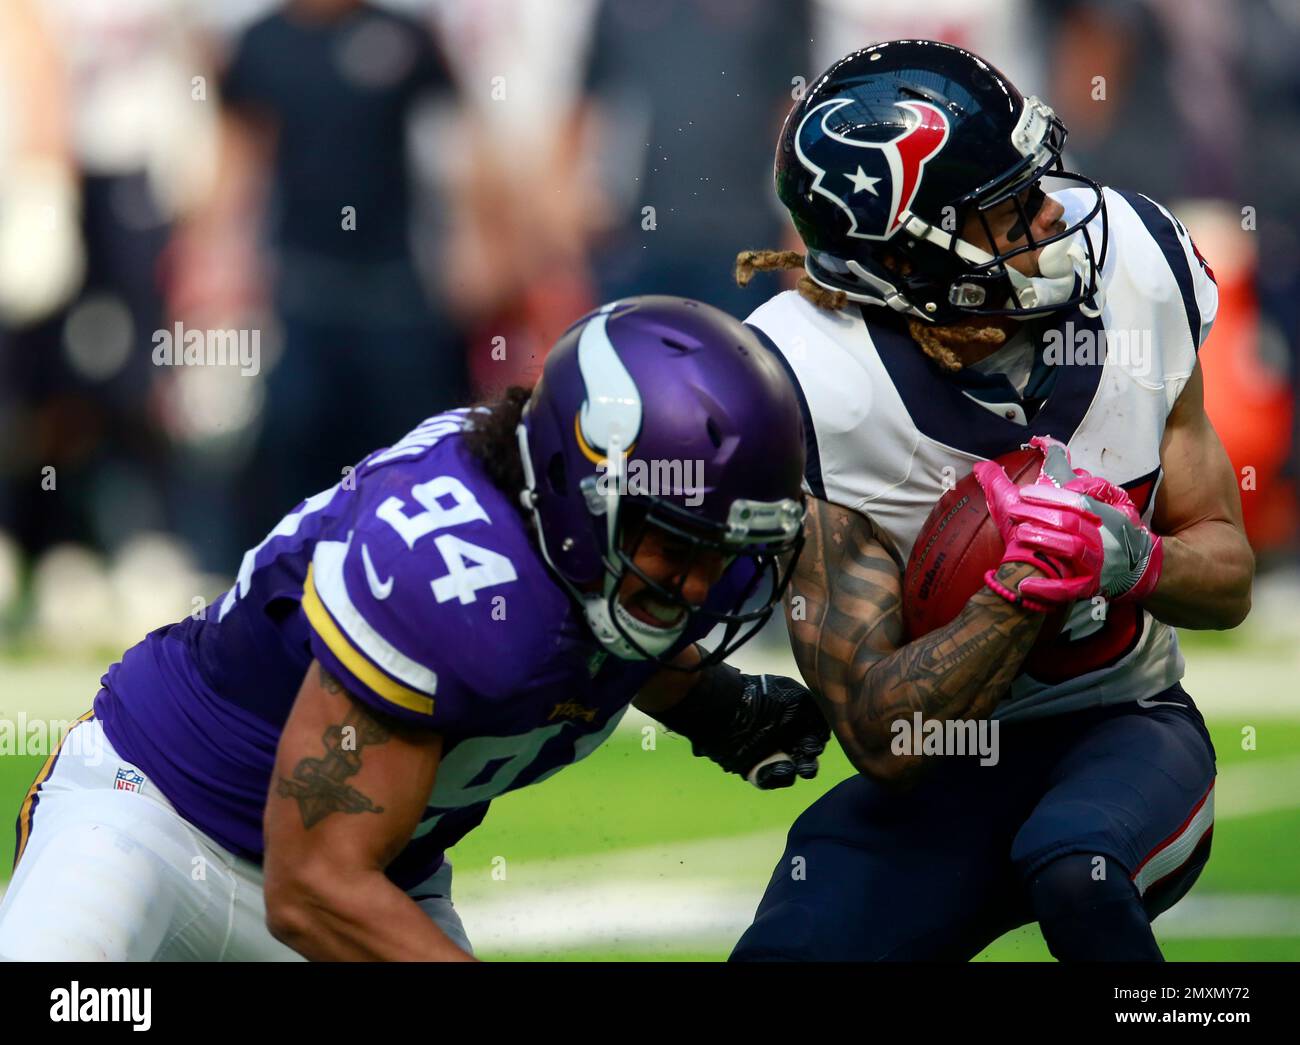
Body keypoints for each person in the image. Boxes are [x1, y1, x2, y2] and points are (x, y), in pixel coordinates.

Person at [0, 295, 827, 961]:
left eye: (720, 548)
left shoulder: (619, 549)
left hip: (384, 873)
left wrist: (715, 703)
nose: (697, 581)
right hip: (159, 820)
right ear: (586, 496)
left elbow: (618, 618)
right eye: (675, 543)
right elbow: (312, 886)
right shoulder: (451, 576)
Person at [730, 40, 1254, 961]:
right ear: (909, 256)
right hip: (945, 770)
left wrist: (1131, 556)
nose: (1057, 215)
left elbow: (1230, 575)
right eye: (1011, 211)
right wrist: (1018, 588)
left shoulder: (1134, 263)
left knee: (1075, 866)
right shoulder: (810, 385)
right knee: (796, 948)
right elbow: (885, 737)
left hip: (1126, 726)